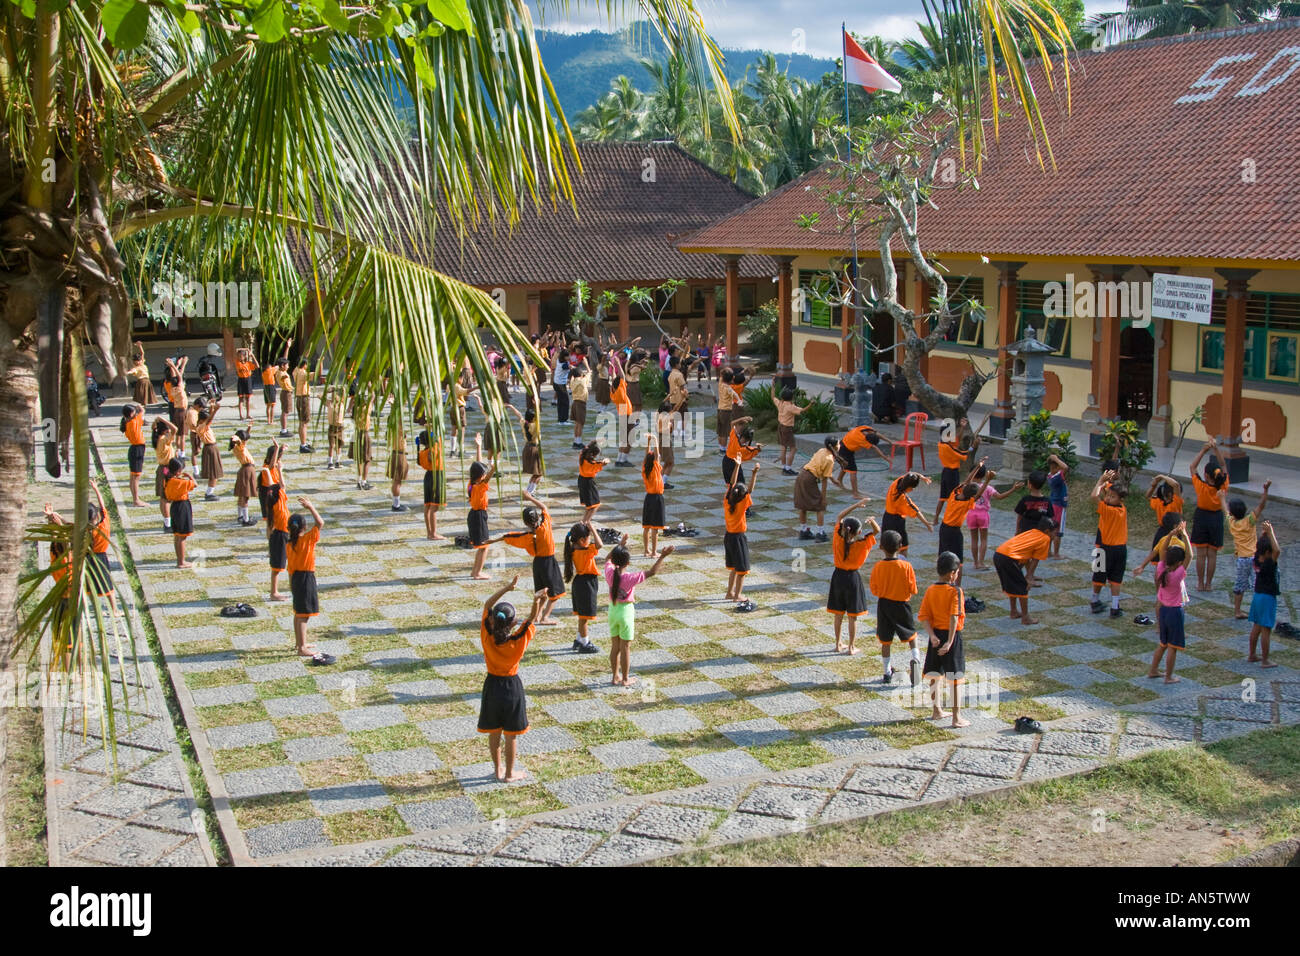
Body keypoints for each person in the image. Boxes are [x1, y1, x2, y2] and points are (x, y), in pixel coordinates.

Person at [477, 575, 549, 781]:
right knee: (511, 734)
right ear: (513, 623)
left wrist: (507, 588)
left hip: (491, 685)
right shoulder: (518, 640)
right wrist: (537, 601)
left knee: (494, 731)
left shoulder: (486, 635)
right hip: (511, 688)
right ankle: (509, 773)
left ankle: (497, 769)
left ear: (492, 620)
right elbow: (532, 619)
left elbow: (487, 604)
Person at [605, 539, 674, 686]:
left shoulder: (609, 572)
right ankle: (625, 679)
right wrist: (662, 556)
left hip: (612, 610)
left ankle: (614, 677)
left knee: (615, 647)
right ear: (628, 563)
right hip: (626, 612)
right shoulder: (630, 578)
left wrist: (619, 546)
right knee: (625, 647)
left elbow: (607, 560)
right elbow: (652, 572)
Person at [493, 490, 565, 626]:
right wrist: (529, 497)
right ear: (537, 517)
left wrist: (498, 539)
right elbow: (544, 507)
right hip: (549, 562)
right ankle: (545, 617)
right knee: (555, 595)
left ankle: (536, 616)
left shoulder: (529, 536)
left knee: (541, 593)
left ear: (526, 523)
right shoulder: (545, 525)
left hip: (537, 563)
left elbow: (512, 537)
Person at [921, 551, 968, 727]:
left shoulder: (931, 589)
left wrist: (932, 636)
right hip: (951, 637)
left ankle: (937, 711)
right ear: (952, 574)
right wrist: (949, 641)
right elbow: (954, 616)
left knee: (934, 675)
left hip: (935, 637)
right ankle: (957, 718)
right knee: (955, 678)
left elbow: (924, 616)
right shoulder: (956, 591)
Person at [287, 497, 335, 665]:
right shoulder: (307, 540)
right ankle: (301, 648)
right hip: (306, 578)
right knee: (304, 615)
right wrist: (311, 507)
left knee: (298, 612)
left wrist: (290, 582)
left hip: (295, 578)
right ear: (304, 527)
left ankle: (300, 642)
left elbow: (290, 568)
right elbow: (320, 523)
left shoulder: (289, 544)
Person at [869, 529, 920, 685]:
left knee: (885, 640)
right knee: (911, 636)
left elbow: (874, 589)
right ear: (900, 546)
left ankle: (887, 672)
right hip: (902, 604)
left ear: (881, 547)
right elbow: (913, 589)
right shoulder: (906, 566)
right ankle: (916, 660)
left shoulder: (878, 566)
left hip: (884, 605)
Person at [827, 499, 877, 655]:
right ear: (859, 532)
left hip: (838, 576)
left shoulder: (837, 539)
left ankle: (837, 644)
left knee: (838, 613)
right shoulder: (862, 544)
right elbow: (876, 532)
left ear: (843, 529)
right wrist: (872, 522)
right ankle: (851, 646)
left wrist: (856, 504)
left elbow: (839, 516)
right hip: (853, 579)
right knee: (852, 616)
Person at [935, 459, 993, 587]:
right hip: (954, 532)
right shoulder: (966, 504)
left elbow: (967, 481)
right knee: (958, 561)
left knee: (943, 556)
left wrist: (978, 466)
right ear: (970, 497)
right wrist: (988, 480)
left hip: (944, 528)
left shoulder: (954, 493)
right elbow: (978, 495)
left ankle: (941, 581)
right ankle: (957, 587)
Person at [993, 516, 1055, 626]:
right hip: (1009, 558)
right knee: (1022, 587)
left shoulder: (1032, 532)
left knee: (1012, 585)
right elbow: (1035, 560)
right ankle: (1026, 618)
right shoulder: (1045, 539)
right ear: (1047, 531)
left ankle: (1014, 611)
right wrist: (1029, 577)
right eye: (1055, 532)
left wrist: (1026, 574)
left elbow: (1026, 557)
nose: (1055, 535)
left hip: (999, 554)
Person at [1224, 481, 1271, 619]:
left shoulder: (1232, 523)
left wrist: (1221, 498)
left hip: (1241, 560)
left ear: (1232, 512)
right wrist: (1265, 490)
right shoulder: (1250, 520)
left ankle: (1237, 611)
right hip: (1255, 558)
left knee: (1240, 585)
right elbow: (1261, 505)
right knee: (1259, 584)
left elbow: (1224, 510)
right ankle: (1259, 612)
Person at [1188, 439, 1229, 591]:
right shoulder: (1223, 486)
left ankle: (1199, 583)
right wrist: (1216, 449)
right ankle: (1209, 584)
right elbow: (1224, 465)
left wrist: (1204, 450)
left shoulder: (1201, 486)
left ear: (1205, 475)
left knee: (1201, 554)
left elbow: (1192, 467)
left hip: (1201, 517)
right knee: (1212, 555)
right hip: (1216, 518)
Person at [1148, 542, 1190, 684]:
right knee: (1173, 647)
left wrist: (1171, 534)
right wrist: (1184, 536)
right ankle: (1168, 676)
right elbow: (1190, 555)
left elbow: (1163, 549)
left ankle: (1153, 670)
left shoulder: (1161, 568)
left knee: (1162, 644)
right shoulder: (1178, 574)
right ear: (1178, 562)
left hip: (1163, 611)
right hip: (1175, 612)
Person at [1089, 470, 1129, 619]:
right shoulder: (1122, 509)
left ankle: (1095, 600)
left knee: (1099, 575)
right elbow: (1108, 490)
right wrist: (1108, 483)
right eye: (1107, 495)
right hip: (1121, 549)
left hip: (1105, 548)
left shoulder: (1106, 509)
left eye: (1112, 496)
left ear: (1120, 499)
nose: (1108, 497)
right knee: (1116, 579)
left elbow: (1094, 495)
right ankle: (1115, 606)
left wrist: (1100, 480)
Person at [967, 467, 1023, 570]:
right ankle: (981, 562)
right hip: (983, 515)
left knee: (974, 540)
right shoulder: (988, 487)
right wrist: (1013, 489)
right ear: (984, 475)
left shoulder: (969, 487)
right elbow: (1000, 496)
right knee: (984, 540)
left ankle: (975, 563)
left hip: (971, 514)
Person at [562, 519, 603, 654]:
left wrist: (586, 529)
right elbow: (600, 544)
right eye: (588, 537)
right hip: (586, 584)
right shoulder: (586, 551)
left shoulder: (573, 549)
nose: (590, 539)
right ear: (581, 540)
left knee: (581, 615)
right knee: (585, 616)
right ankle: (585, 643)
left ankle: (579, 639)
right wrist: (591, 527)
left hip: (579, 582)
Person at [724, 462, 760, 611]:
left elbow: (731, 483)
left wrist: (737, 466)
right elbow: (750, 490)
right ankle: (737, 595)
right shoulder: (742, 504)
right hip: (738, 538)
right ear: (743, 497)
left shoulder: (727, 500)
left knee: (733, 567)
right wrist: (754, 473)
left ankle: (729, 592)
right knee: (742, 570)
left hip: (728, 537)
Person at [794, 438, 845, 542]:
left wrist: (834, 480)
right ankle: (820, 533)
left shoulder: (822, 450)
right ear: (834, 446)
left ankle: (804, 531)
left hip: (801, 475)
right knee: (820, 506)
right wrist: (824, 498)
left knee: (802, 505)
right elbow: (824, 480)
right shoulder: (830, 459)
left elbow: (823, 470)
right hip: (810, 478)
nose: (840, 445)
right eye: (839, 443)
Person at [87, 483, 124, 617]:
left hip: (88, 558)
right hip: (101, 558)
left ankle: (97, 610)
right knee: (108, 585)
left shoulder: (84, 530)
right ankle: (114, 610)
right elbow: (103, 507)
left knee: (90, 585)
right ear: (96, 516)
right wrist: (96, 489)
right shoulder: (104, 526)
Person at [1248, 521, 1281, 669]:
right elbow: (1277, 551)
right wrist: (1271, 532)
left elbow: (1264, 548)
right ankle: (1265, 660)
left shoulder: (1256, 559)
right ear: (1268, 552)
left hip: (1257, 597)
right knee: (1266, 629)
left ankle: (1252, 654)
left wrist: (1264, 536)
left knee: (1256, 627)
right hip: (1267, 598)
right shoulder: (1269, 562)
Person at [933, 419, 978, 526]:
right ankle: (950, 517)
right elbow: (963, 454)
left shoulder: (942, 444)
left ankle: (935, 518)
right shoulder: (948, 447)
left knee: (942, 497)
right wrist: (973, 446)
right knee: (952, 497)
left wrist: (962, 427)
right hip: (952, 474)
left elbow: (957, 440)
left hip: (945, 472)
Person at [467, 436, 497, 580]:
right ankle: (476, 572)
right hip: (478, 516)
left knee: (483, 545)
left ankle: (476, 571)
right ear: (480, 477)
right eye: (484, 474)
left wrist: (479, 446)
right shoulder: (479, 487)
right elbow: (487, 477)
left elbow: (478, 464)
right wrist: (494, 468)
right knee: (484, 546)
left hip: (476, 515)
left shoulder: (472, 483)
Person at [881, 472, 933, 554]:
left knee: (888, 546)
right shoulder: (902, 499)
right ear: (908, 487)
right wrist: (926, 523)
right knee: (903, 547)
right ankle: (902, 563)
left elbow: (910, 474)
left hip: (886, 518)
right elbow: (916, 511)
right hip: (896, 522)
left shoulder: (897, 482)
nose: (912, 490)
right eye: (912, 488)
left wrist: (921, 477)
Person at [833, 424, 890, 496]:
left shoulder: (865, 428)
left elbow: (877, 434)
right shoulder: (862, 440)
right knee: (853, 471)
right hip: (844, 450)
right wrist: (885, 457)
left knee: (846, 465)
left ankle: (838, 480)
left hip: (845, 445)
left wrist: (889, 441)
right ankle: (855, 493)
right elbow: (875, 448)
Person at [163, 457, 197, 569]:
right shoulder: (180, 482)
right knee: (182, 536)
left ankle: (179, 560)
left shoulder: (168, 480)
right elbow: (194, 484)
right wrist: (190, 477)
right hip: (182, 506)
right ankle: (181, 562)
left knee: (177, 535)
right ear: (178, 471)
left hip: (174, 506)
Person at [415, 428, 447, 540]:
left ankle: (429, 532)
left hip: (428, 477)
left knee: (427, 506)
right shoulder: (434, 450)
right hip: (436, 477)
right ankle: (433, 533)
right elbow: (440, 440)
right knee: (434, 508)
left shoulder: (422, 452)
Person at [772, 384, 810, 476]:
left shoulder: (780, 403)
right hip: (787, 429)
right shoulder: (791, 407)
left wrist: (773, 386)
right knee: (793, 448)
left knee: (783, 447)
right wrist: (811, 404)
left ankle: (784, 467)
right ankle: (788, 468)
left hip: (780, 427)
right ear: (792, 397)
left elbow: (773, 397)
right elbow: (803, 410)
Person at [151, 417, 179, 532]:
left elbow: (153, 427)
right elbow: (175, 429)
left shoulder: (157, 437)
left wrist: (156, 422)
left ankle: (167, 522)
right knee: (167, 498)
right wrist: (161, 419)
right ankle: (168, 524)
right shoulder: (163, 439)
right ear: (165, 430)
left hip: (162, 469)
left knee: (163, 498)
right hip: (167, 469)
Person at [641, 434, 667, 557]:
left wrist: (648, 442)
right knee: (655, 528)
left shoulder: (645, 468)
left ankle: (646, 550)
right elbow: (656, 454)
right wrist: (655, 440)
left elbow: (648, 455)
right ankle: (654, 552)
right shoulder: (656, 468)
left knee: (646, 526)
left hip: (648, 498)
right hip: (657, 498)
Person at [265, 478, 291, 602]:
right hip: (281, 537)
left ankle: (276, 591)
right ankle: (273, 593)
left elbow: (268, 530)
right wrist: (280, 470)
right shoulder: (280, 503)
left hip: (279, 536)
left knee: (281, 564)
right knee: (277, 567)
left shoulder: (273, 504)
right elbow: (283, 485)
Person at [1146, 474, 1185, 552]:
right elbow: (1176, 485)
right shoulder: (1175, 504)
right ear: (1171, 494)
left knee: (1159, 560)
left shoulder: (1159, 502)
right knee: (1172, 560)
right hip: (1174, 534)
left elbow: (1148, 496)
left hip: (1161, 533)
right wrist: (1162, 476)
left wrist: (1154, 486)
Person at [723, 415, 762, 489]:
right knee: (741, 487)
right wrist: (759, 447)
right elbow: (757, 450)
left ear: (741, 434)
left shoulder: (733, 437)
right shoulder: (746, 449)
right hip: (735, 466)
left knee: (730, 485)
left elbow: (732, 423)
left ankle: (730, 498)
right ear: (749, 440)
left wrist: (743, 418)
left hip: (725, 461)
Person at [195, 401, 223, 501]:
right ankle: (209, 493)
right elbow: (209, 419)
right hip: (210, 448)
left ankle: (210, 491)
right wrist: (215, 410)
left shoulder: (203, 425)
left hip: (212, 447)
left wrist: (211, 407)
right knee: (213, 473)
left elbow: (208, 419)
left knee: (214, 472)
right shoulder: (201, 427)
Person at [120, 402, 147, 507]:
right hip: (137, 449)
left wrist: (136, 409)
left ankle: (135, 498)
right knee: (136, 476)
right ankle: (136, 500)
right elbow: (142, 411)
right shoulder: (134, 422)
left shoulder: (127, 423)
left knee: (133, 476)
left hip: (134, 449)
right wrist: (138, 407)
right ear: (131, 414)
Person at [229, 427, 258, 526]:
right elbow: (240, 442)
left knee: (242, 495)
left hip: (245, 470)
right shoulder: (239, 446)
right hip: (247, 470)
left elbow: (243, 439)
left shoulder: (238, 446)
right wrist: (237, 439)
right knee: (245, 496)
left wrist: (249, 428)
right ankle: (246, 519)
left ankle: (240, 516)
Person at [1045, 453, 1070, 558]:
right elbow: (1065, 467)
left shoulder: (1050, 475)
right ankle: (1056, 554)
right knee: (1057, 531)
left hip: (1053, 504)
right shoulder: (1057, 477)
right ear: (1055, 467)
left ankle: (1048, 551)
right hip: (1059, 506)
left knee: (1051, 528)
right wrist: (1055, 458)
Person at [577, 441, 608, 523]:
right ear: (594, 455)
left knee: (589, 506)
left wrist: (595, 442)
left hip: (581, 480)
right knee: (595, 505)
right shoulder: (592, 464)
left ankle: (583, 521)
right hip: (588, 483)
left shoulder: (582, 456)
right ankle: (586, 523)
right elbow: (600, 465)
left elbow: (586, 448)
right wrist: (604, 462)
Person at [351, 385, 374, 491]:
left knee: (360, 459)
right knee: (367, 459)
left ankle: (359, 480)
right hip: (364, 434)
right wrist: (370, 386)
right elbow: (373, 396)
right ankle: (364, 481)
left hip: (357, 434)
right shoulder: (366, 408)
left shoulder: (356, 409)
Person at [386, 410, 410, 513]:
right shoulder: (397, 429)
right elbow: (399, 420)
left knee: (396, 481)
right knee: (397, 481)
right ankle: (396, 505)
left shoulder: (392, 430)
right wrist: (395, 406)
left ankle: (396, 503)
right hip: (399, 455)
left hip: (396, 454)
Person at [568, 358, 590, 450]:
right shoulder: (582, 381)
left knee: (577, 423)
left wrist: (573, 369)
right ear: (580, 374)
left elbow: (576, 375)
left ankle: (575, 441)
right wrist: (586, 364)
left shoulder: (573, 381)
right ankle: (579, 442)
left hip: (575, 403)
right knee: (581, 423)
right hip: (581, 404)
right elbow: (589, 373)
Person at [292, 358, 313, 453]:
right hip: (304, 398)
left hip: (298, 398)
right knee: (304, 422)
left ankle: (303, 443)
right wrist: (320, 362)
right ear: (304, 364)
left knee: (302, 422)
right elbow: (318, 374)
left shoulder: (296, 371)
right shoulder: (303, 374)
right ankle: (303, 444)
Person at [234, 348, 258, 421]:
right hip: (241, 380)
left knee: (248, 399)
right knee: (241, 399)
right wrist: (246, 349)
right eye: (238, 356)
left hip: (248, 380)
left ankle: (248, 414)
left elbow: (257, 366)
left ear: (244, 357)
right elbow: (236, 350)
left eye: (241, 356)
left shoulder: (248, 363)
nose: (239, 357)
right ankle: (241, 415)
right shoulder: (237, 362)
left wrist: (252, 355)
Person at [274, 358, 293, 438]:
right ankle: (284, 430)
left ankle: (284, 429)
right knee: (285, 412)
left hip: (286, 392)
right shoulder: (282, 374)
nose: (288, 367)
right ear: (282, 366)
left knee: (285, 411)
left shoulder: (280, 371)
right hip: (286, 392)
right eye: (287, 365)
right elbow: (283, 379)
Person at [551, 345, 571, 424]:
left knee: (560, 402)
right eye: (567, 356)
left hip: (557, 383)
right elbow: (569, 367)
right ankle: (564, 420)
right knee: (565, 402)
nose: (569, 357)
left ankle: (561, 419)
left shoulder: (560, 361)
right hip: (560, 384)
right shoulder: (563, 365)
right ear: (564, 357)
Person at [260, 361, 278, 427]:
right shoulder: (270, 371)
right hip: (270, 387)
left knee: (268, 406)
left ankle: (268, 420)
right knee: (272, 405)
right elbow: (277, 367)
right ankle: (272, 421)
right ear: (268, 367)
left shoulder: (263, 373)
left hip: (265, 387)